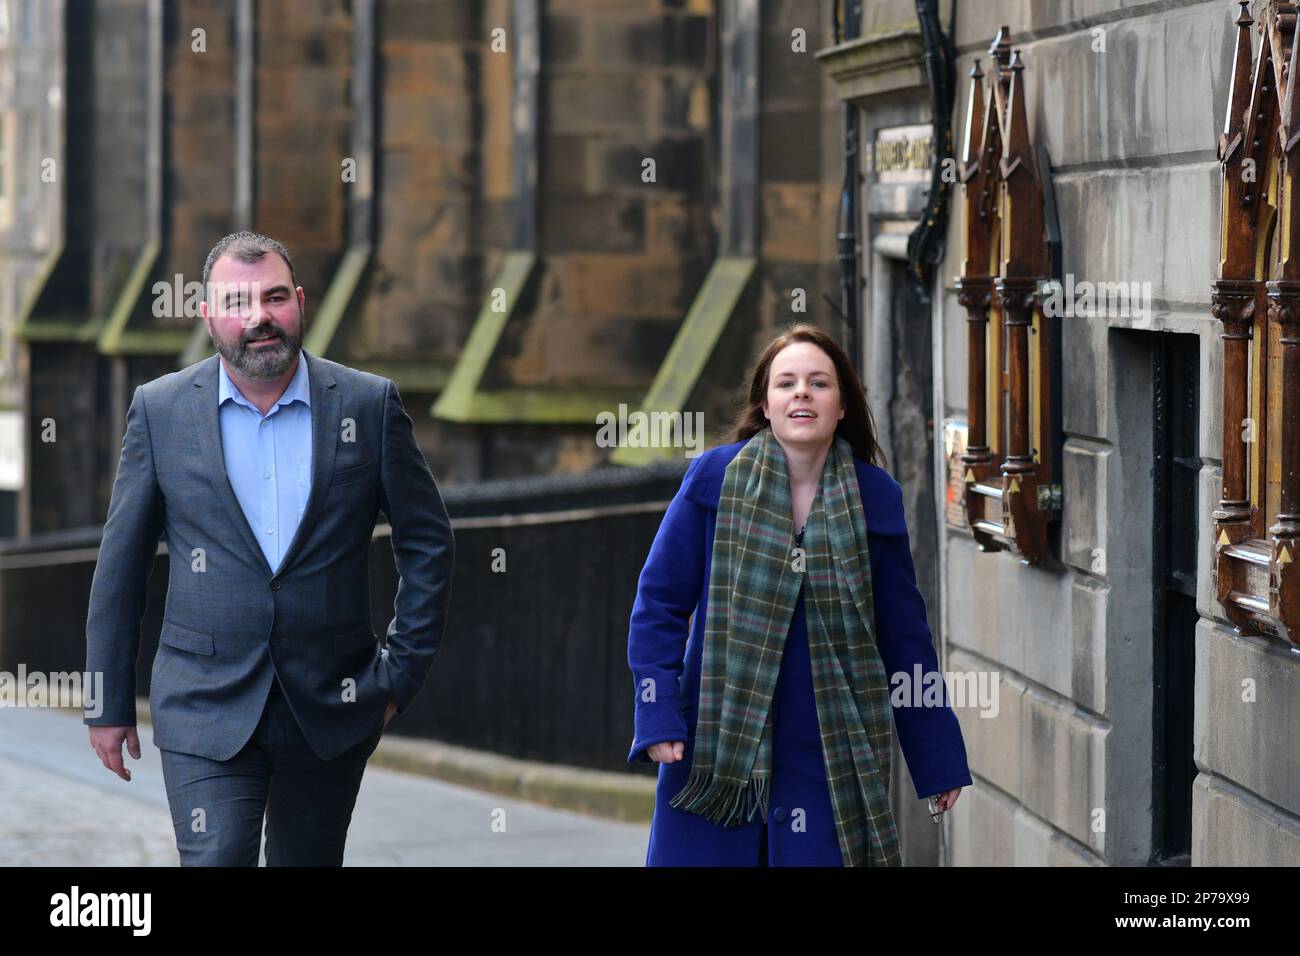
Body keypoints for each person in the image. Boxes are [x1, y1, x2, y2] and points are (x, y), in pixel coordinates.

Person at [84, 231, 455, 866]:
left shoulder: (368, 406)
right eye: (237, 301)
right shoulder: (162, 411)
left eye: (275, 297)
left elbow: (428, 541)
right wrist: (105, 702)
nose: (259, 317)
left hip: (331, 706)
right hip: (203, 704)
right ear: (207, 316)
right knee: (217, 857)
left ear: (300, 303)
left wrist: (399, 675)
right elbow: (122, 562)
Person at [626, 322, 971, 866]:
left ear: (841, 407)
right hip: (716, 746)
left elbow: (905, 640)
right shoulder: (712, 480)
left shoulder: (875, 498)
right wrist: (659, 714)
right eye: (786, 383)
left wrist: (937, 757)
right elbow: (658, 605)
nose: (802, 393)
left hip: (832, 751)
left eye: (819, 383)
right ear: (765, 404)